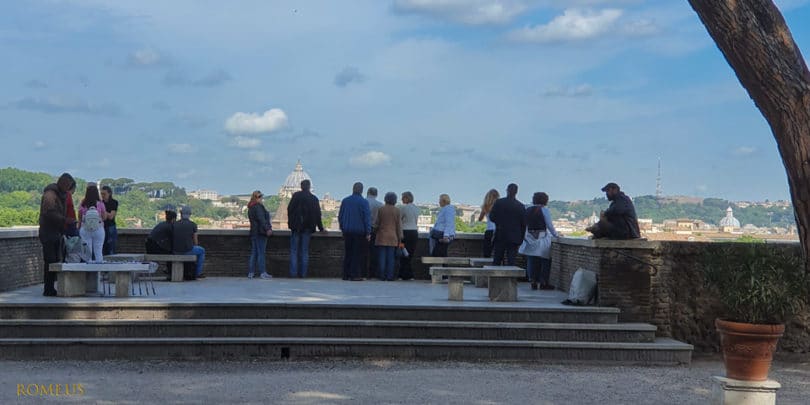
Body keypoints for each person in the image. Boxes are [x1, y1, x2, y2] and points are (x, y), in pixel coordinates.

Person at [38, 173, 75, 296]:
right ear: (63, 184)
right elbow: (49, 212)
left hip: (56, 231)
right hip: (48, 232)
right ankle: (48, 288)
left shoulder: (61, 194)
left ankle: (51, 287)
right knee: (50, 260)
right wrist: (65, 220)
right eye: (68, 186)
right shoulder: (50, 194)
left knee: (55, 260)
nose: (68, 189)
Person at [287, 180, 324, 278]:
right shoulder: (314, 199)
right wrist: (321, 228)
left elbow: (289, 209)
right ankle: (303, 274)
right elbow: (318, 215)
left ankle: (293, 274)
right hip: (307, 227)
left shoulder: (295, 196)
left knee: (294, 251)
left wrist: (291, 223)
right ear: (309, 187)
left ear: (301, 186)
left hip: (296, 227)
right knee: (304, 251)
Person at [524, 192, 559, 290]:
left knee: (531, 259)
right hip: (542, 236)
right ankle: (543, 282)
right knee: (545, 259)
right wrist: (556, 235)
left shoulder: (528, 209)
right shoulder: (544, 210)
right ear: (545, 200)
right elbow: (549, 225)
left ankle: (533, 280)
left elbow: (524, 224)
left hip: (529, 236)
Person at [338, 182, 371, 281]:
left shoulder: (345, 201)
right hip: (359, 232)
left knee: (348, 253)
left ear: (353, 189)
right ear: (361, 190)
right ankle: (355, 275)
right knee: (357, 254)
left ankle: (346, 274)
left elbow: (340, 216)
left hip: (347, 231)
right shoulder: (364, 202)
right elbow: (367, 218)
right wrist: (368, 232)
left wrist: (342, 227)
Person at [489, 183, 526, 266]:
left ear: (507, 190)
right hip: (514, 237)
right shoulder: (520, 206)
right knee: (511, 260)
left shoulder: (499, 202)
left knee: (497, 259)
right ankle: (511, 278)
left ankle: (495, 278)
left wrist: (499, 223)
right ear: (516, 192)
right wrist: (521, 238)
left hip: (500, 234)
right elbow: (523, 224)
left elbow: (492, 217)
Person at [375, 192, 403, 281]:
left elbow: (377, 223)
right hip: (393, 236)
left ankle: (382, 276)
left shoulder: (381, 209)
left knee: (382, 257)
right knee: (391, 258)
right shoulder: (397, 210)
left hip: (382, 236)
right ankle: (390, 276)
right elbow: (399, 225)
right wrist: (400, 238)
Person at [173, 206, 206, 279]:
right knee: (202, 250)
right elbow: (195, 241)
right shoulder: (193, 225)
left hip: (175, 251)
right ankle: (198, 273)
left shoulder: (174, 224)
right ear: (190, 214)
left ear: (181, 214)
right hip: (187, 250)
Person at [78, 183, 107, 263]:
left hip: (85, 229)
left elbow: (79, 217)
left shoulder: (83, 204)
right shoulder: (100, 203)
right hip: (98, 229)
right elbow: (104, 217)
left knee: (87, 254)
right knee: (98, 251)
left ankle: (88, 273)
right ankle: (98, 272)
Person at [248, 191, 273, 279]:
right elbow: (262, 219)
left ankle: (251, 272)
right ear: (256, 197)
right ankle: (262, 272)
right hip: (260, 233)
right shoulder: (258, 207)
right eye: (260, 197)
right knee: (261, 253)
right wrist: (268, 229)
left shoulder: (250, 207)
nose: (261, 198)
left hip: (254, 232)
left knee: (254, 253)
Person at [397, 191, 419, 280]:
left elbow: (399, 220)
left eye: (403, 197)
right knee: (410, 253)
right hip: (414, 233)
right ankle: (409, 274)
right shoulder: (416, 208)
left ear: (406, 198)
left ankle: (403, 274)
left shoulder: (403, 208)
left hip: (405, 233)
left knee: (403, 251)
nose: (401, 199)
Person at [365, 187, 383, 279]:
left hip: (363, 230)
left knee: (363, 252)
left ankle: (363, 272)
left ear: (367, 193)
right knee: (374, 253)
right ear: (376, 194)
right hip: (375, 230)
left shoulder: (364, 202)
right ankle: (372, 273)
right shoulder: (380, 205)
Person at [478, 189, 499, 258]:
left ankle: (485, 265)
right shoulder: (499, 205)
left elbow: (480, 219)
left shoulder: (485, 206)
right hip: (498, 230)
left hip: (489, 229)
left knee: (487, 250)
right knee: (497, 251)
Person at [100, 185, 118, 255]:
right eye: (101, 194)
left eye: (104, 194)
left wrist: (103, 211)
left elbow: (111, 216)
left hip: (111, 227)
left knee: (111, 246)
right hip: (102, 226)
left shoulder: (114, 202)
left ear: (109, 193)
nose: (103, 196)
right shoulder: (100, 203)